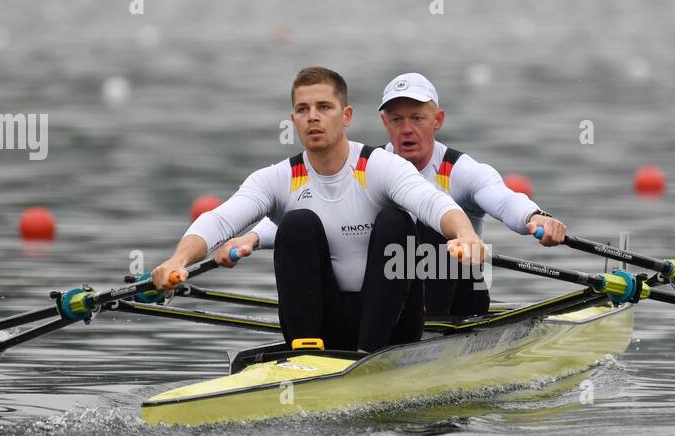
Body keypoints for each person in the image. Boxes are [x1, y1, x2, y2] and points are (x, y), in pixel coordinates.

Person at [150, 67, 485, 353]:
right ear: (293, 119)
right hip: (327, 324)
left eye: (324, 107)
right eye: (302, 109)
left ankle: (368, 355)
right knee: (296, 224)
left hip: (393, 326)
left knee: (395, 221)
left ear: (347, 115)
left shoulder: (379, 166)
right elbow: (220, 220)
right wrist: (177, 260)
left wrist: (465, 233)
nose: (313, 116)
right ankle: (307, 354)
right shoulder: (277, 178)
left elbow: (433, 202)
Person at [242, 72, 566, 317]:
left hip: (457, 302)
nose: (406, 129)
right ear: (385, 122)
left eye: (417, 118)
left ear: (437, 120)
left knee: (428, 225)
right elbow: (312, 212)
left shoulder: (460, 170)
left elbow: (504, 198)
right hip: (391, 301)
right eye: (397, 119)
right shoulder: (371, 168)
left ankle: (416, 337)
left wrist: (536, 217)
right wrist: (251, 239)